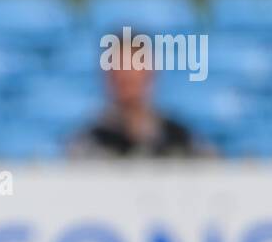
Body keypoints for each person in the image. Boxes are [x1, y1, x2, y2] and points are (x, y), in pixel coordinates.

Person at [69, 29, 204, 158]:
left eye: (135, 66)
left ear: (151, 72)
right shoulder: (89, 143)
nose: (126, 75)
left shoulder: (180, 140)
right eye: (119, 66)